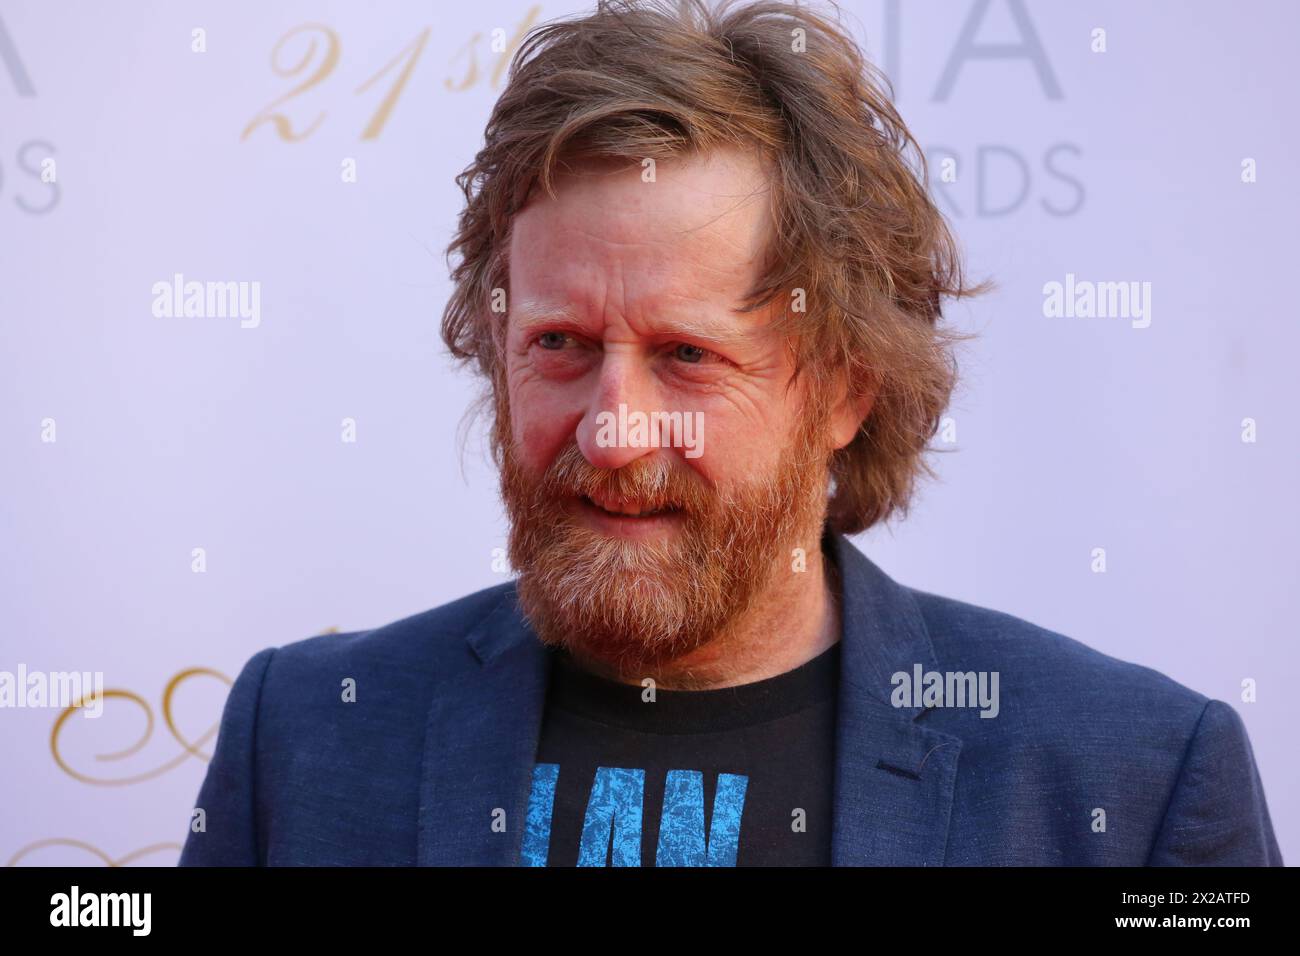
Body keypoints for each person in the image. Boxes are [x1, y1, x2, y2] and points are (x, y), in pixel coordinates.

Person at [179, 0, 1281, 866]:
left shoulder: (1126, 781)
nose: (612, 432)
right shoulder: (305, 738)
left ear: (846, 388)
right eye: (560, 343)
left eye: (688, 355)